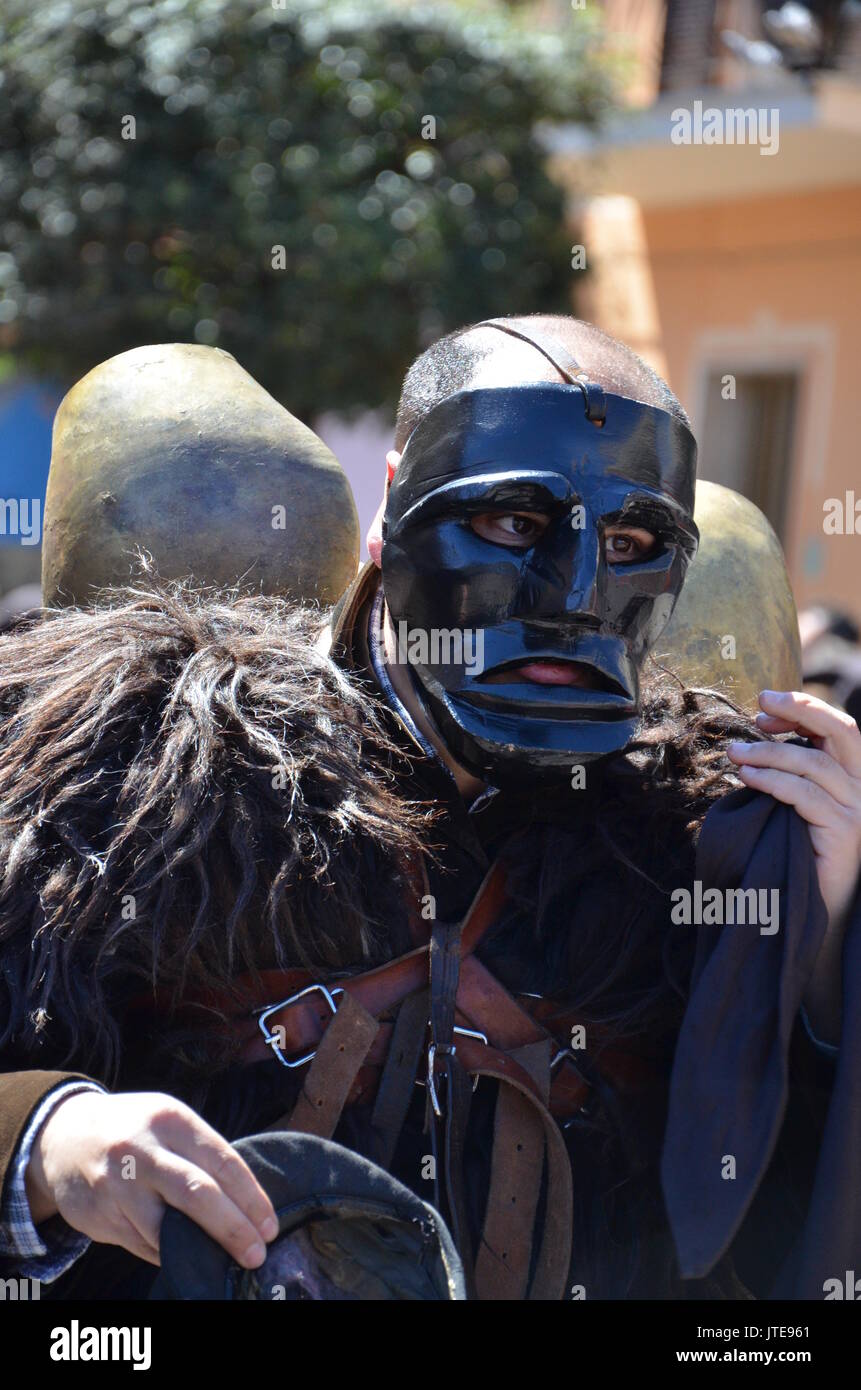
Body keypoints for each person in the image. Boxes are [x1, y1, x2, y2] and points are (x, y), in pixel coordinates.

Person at [2, 315, 860, 1299]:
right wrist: (46, 1136)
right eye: (512, 522)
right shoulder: (145, 782)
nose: (575, 593)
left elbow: (773, 1263)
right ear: (391, 513)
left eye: (629, 541)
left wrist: (820, 954)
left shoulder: (686, 845)